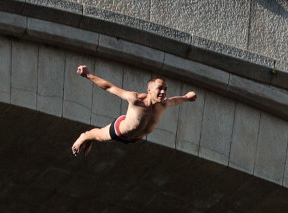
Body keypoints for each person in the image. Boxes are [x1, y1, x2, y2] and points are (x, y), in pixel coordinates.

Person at [70, 65, 198, 156]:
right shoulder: (135, 99)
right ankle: (84, 137)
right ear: (149, 90)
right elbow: (109, 87)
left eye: (165, 89)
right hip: (120, 130)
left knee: (99, 138)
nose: (163, 92)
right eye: (160, 88)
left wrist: (187, 97)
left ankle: (89, 139)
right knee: (98, 136)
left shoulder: (164, 104)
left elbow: (175, 100)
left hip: (134, 138)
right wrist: (87, 75)